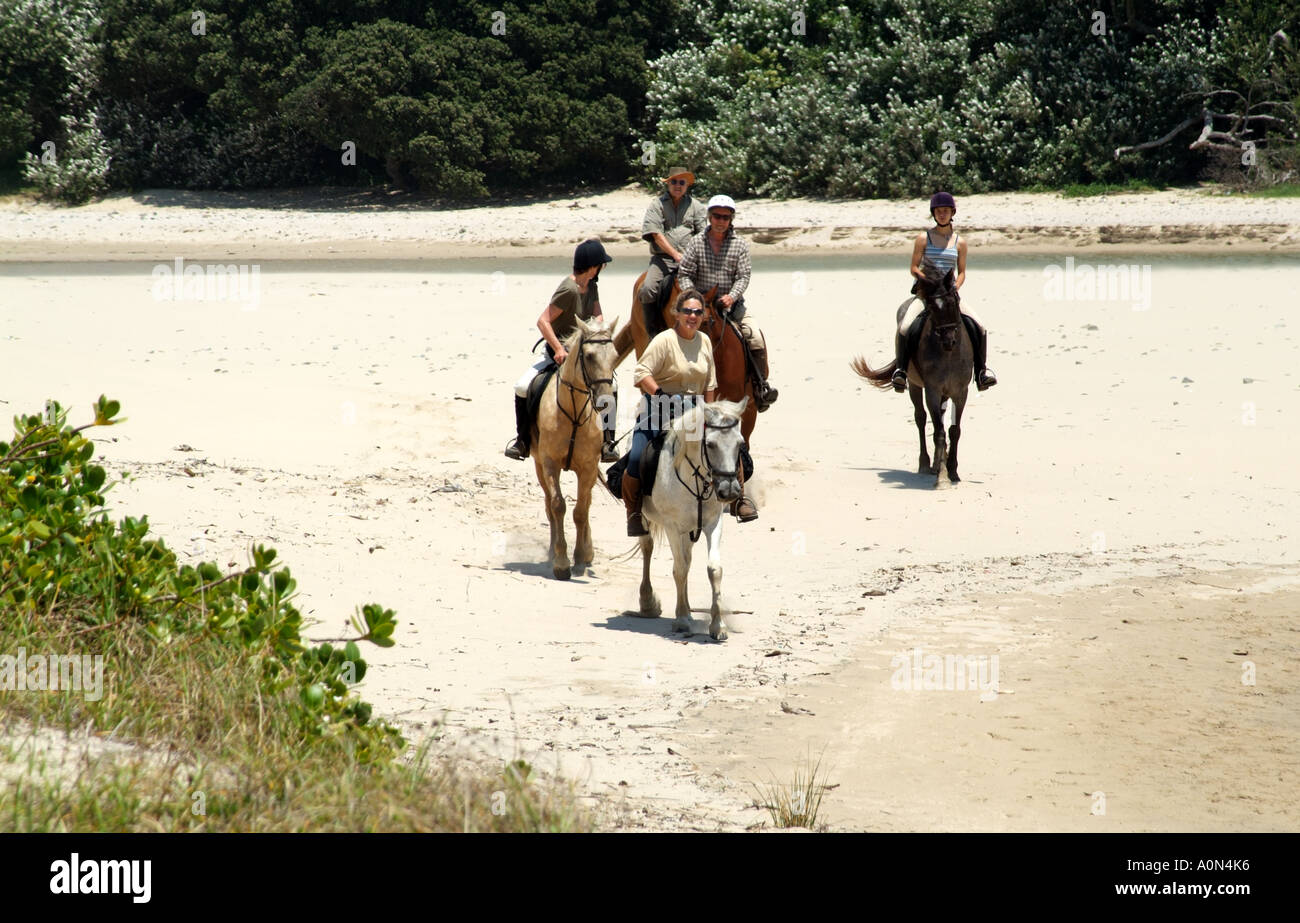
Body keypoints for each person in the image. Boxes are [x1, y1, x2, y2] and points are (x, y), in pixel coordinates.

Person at [505, 239, 618, 462]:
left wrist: (599, 333)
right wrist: (558, 349)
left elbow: (598, 316)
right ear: (593, 266)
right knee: (522, 386)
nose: (603, 268)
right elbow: (543, 321)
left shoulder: (591, 286)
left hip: (583, 355)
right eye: (601, 264)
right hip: (556, 354)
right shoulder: (568, 289)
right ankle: (523, 441)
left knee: (612, 385)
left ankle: (608, 441)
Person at [621, 290, 718, 536]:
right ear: (677, 313)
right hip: (659, 409)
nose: (693, 316)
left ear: (703, 315)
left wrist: (710, 414)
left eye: (698, 312)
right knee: (636, 458)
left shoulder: (704, 341)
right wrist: (660, 394)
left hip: (694, 413)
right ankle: (633, 513)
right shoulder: (664, 340)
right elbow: (641, 372)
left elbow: (710, 384)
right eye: (687, 311)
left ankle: (734, 498)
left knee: (728, 448)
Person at [677, 194, 779, 413]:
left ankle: (761, 387)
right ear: (709, 217)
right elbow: (684, 272)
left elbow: (743, 276)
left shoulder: (739, 245)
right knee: (674, 339)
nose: (721, 220)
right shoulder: (696, 243)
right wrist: (694, 295)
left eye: (725, 217)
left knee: (755, 337)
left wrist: (731, 296)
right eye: (716, 216)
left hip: (732, 306)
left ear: (731, 219)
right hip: (701, 305)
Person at [892, 191, 998, 392]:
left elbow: (962, 272)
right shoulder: (924, 238)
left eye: (946, 211)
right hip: (926, 296)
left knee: (981, 327)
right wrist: (929, 282)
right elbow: (913, 268)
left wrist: (955, 286)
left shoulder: (960, 242)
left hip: (949, 296)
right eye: (939, 211)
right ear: (934, 213)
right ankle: (901, 372)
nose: (942, 214)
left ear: (952, 213)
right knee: (905, 328)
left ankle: (981, 373)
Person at [639, 166, 708, 317]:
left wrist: (694, 258)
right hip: (663, 259)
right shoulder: (656, 205)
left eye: (682, 182)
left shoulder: (696, 206)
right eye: (674, 182)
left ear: (687, 185)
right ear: (668, 183)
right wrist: (676, 255)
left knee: (710, 288)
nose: (678, 185)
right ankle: (652, 329)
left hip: (691, 260)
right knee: (647, 290)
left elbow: (703, 235)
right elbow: (656, 234)